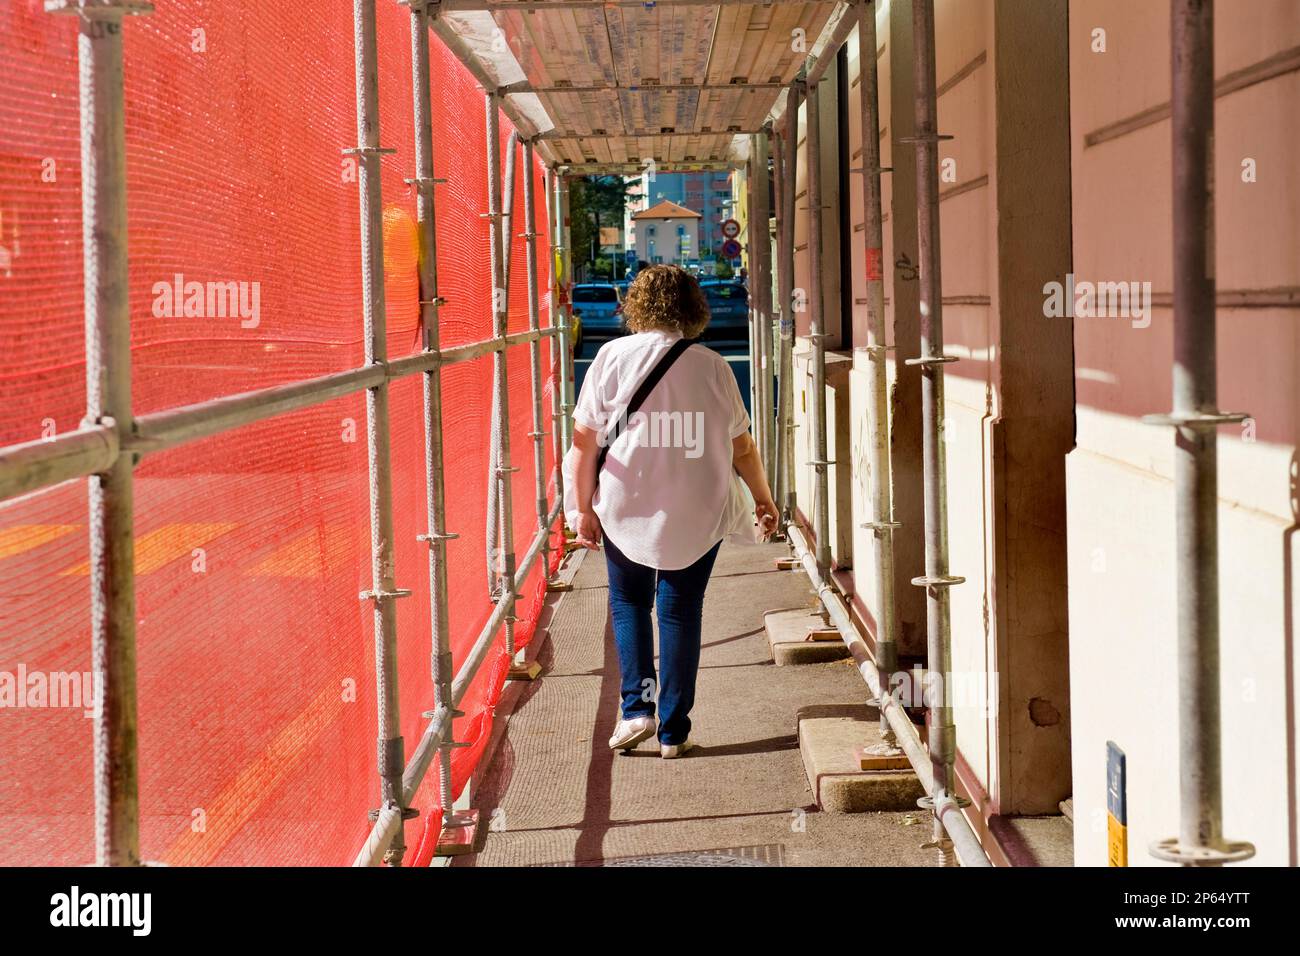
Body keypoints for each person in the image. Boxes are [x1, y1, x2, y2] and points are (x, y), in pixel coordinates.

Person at [569, 264, 778, 759]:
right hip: (697, 508)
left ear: (635, 306)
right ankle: (673, 731)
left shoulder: (610, 357)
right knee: (681, 610)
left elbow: (583, 444)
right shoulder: (713, 365)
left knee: (630, 605)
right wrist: (764, 501)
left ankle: (635, 711)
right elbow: (742, 447)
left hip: (624, 503)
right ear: (693, 307)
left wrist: (582, 510)